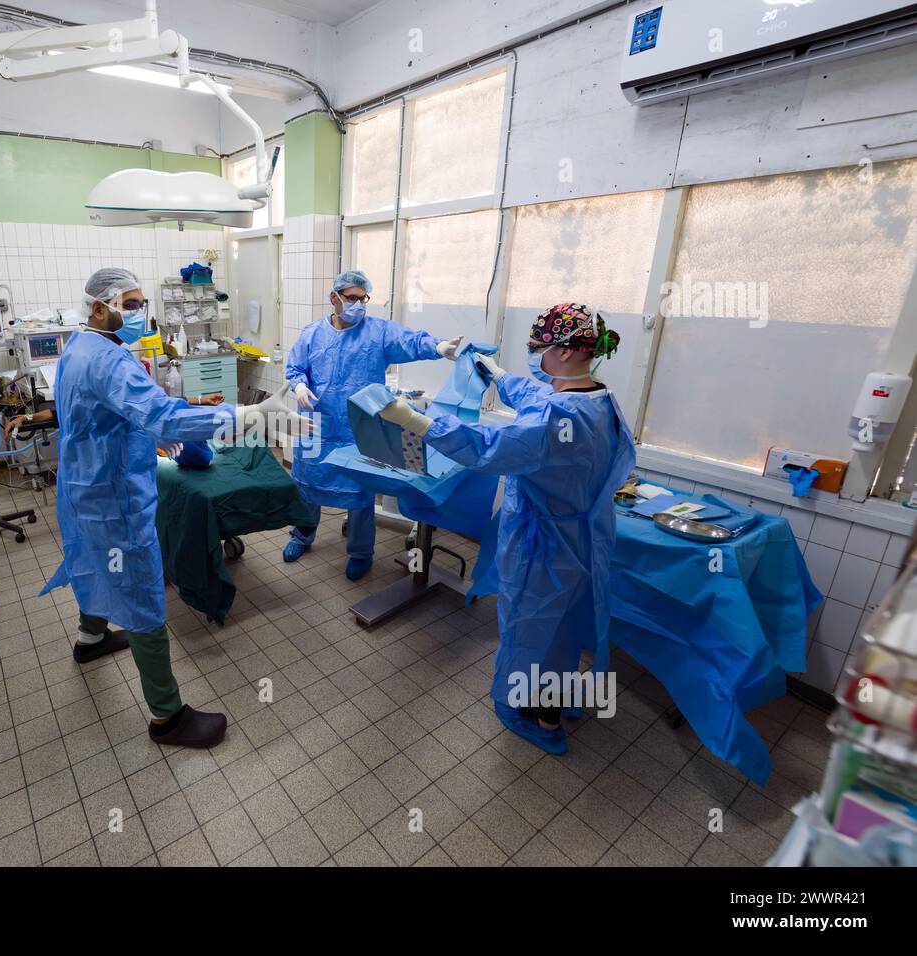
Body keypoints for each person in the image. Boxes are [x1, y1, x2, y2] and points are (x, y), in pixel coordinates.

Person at [42, 268, 311, 748]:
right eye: (129, 304)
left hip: (84, 485)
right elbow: (161, 416)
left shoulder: (77, 347)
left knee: (93, 559)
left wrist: (160, 429)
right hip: (115, 498)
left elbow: (116, 414)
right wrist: (247, 414)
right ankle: (167, 717)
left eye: (141, 303)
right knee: (142, 592)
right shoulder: (107, 358)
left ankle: (90, 638)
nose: (139, 312)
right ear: (99, 307)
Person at [377, 304, 636, 755]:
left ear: (566, 350)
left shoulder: (555, 419)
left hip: (543, 547)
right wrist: (498, 375)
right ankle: (556, 700)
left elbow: (487, 447)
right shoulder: (600, 400)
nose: (532, 354)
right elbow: (539, 398)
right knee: (563, 630)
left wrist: (420, 422)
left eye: (536, 346)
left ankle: (536, 717)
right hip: (584, 540)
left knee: (529, 629)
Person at [284, 270, 464, 580]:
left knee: (360, 490)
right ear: (334, 298)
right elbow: (295, 368)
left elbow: (409, 341)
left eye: (363, 298)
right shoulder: (312, 334)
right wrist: (299, 385)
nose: (358, 304)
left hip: (359, 427)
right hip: (318, 425)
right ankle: (301, 536)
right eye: (351, 298)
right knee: (308, 485)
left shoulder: (377, 332)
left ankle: (360, 552)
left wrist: (437, 347)